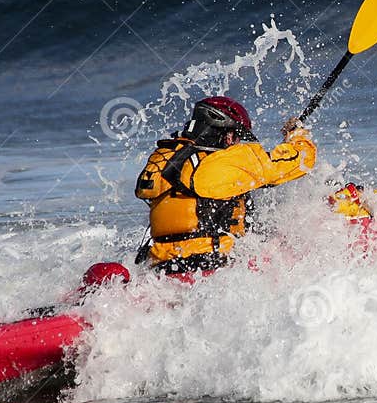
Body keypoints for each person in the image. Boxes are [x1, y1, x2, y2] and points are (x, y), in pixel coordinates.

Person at [134, 96, 316, 273]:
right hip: (211, 267)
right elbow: (300, 161)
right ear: (228, 136)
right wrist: (297, 134)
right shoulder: (219, 163)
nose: (237, 143)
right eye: (237, 138)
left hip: (161, 268)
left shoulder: (166, 159)